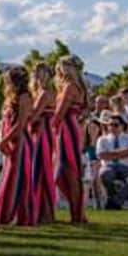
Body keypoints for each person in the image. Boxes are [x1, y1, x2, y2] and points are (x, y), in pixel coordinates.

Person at [0, 67, 36, 226]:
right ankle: (5, 214)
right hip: (10, 141)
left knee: (18, 177)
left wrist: (4, 141)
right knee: (9, 176)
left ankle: (18, 215)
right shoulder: (9, 97)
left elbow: (21, 124)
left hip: (21, 142)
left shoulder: (24, 97)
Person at [53, 55, 88, 223]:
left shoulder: (70, 86)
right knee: (63, 173)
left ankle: (77, 213)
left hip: (67, 128)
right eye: (62, 65)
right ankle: (78, 211)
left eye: (67, 65)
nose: (63, 69)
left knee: (69, 171)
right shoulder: (70, 86)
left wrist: (51, 128)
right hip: (68, 126)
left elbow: (60, 112)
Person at [28, 63, 57, 224]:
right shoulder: (40, 92)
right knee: (40, 170)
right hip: (40, 132)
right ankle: (41, 211)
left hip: (42, 133)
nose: (36, 75)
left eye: (39, 72)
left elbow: (34, 115)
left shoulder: (45, 93)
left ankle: (42, 211)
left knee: (40, 170)